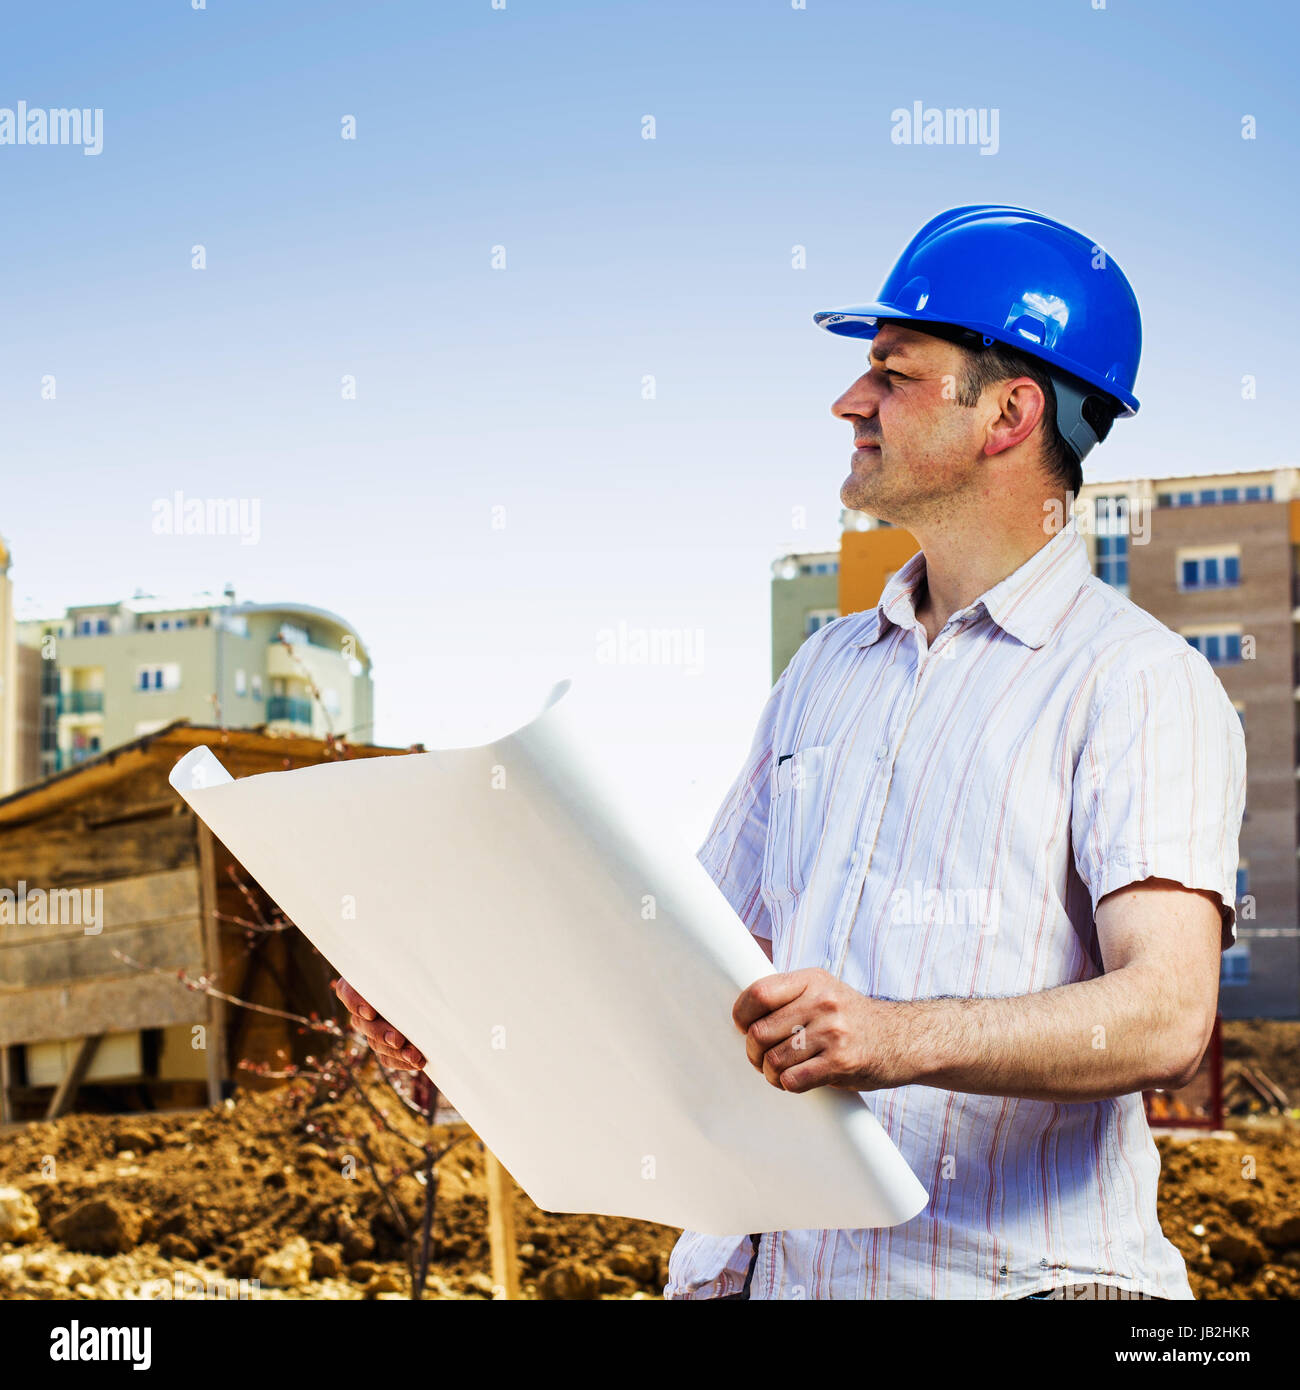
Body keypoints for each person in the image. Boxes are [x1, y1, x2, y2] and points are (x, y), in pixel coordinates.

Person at [336, 205, 1247, 1301]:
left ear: (1007, 414)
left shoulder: (1133, 681)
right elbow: (686, 973)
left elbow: (1163, 1015)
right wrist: (462, 1039)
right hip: (763, 1274)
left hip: (1013, 1282)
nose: (848, 401)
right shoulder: (826, 670)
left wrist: (890, 1036)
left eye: (893, 372)